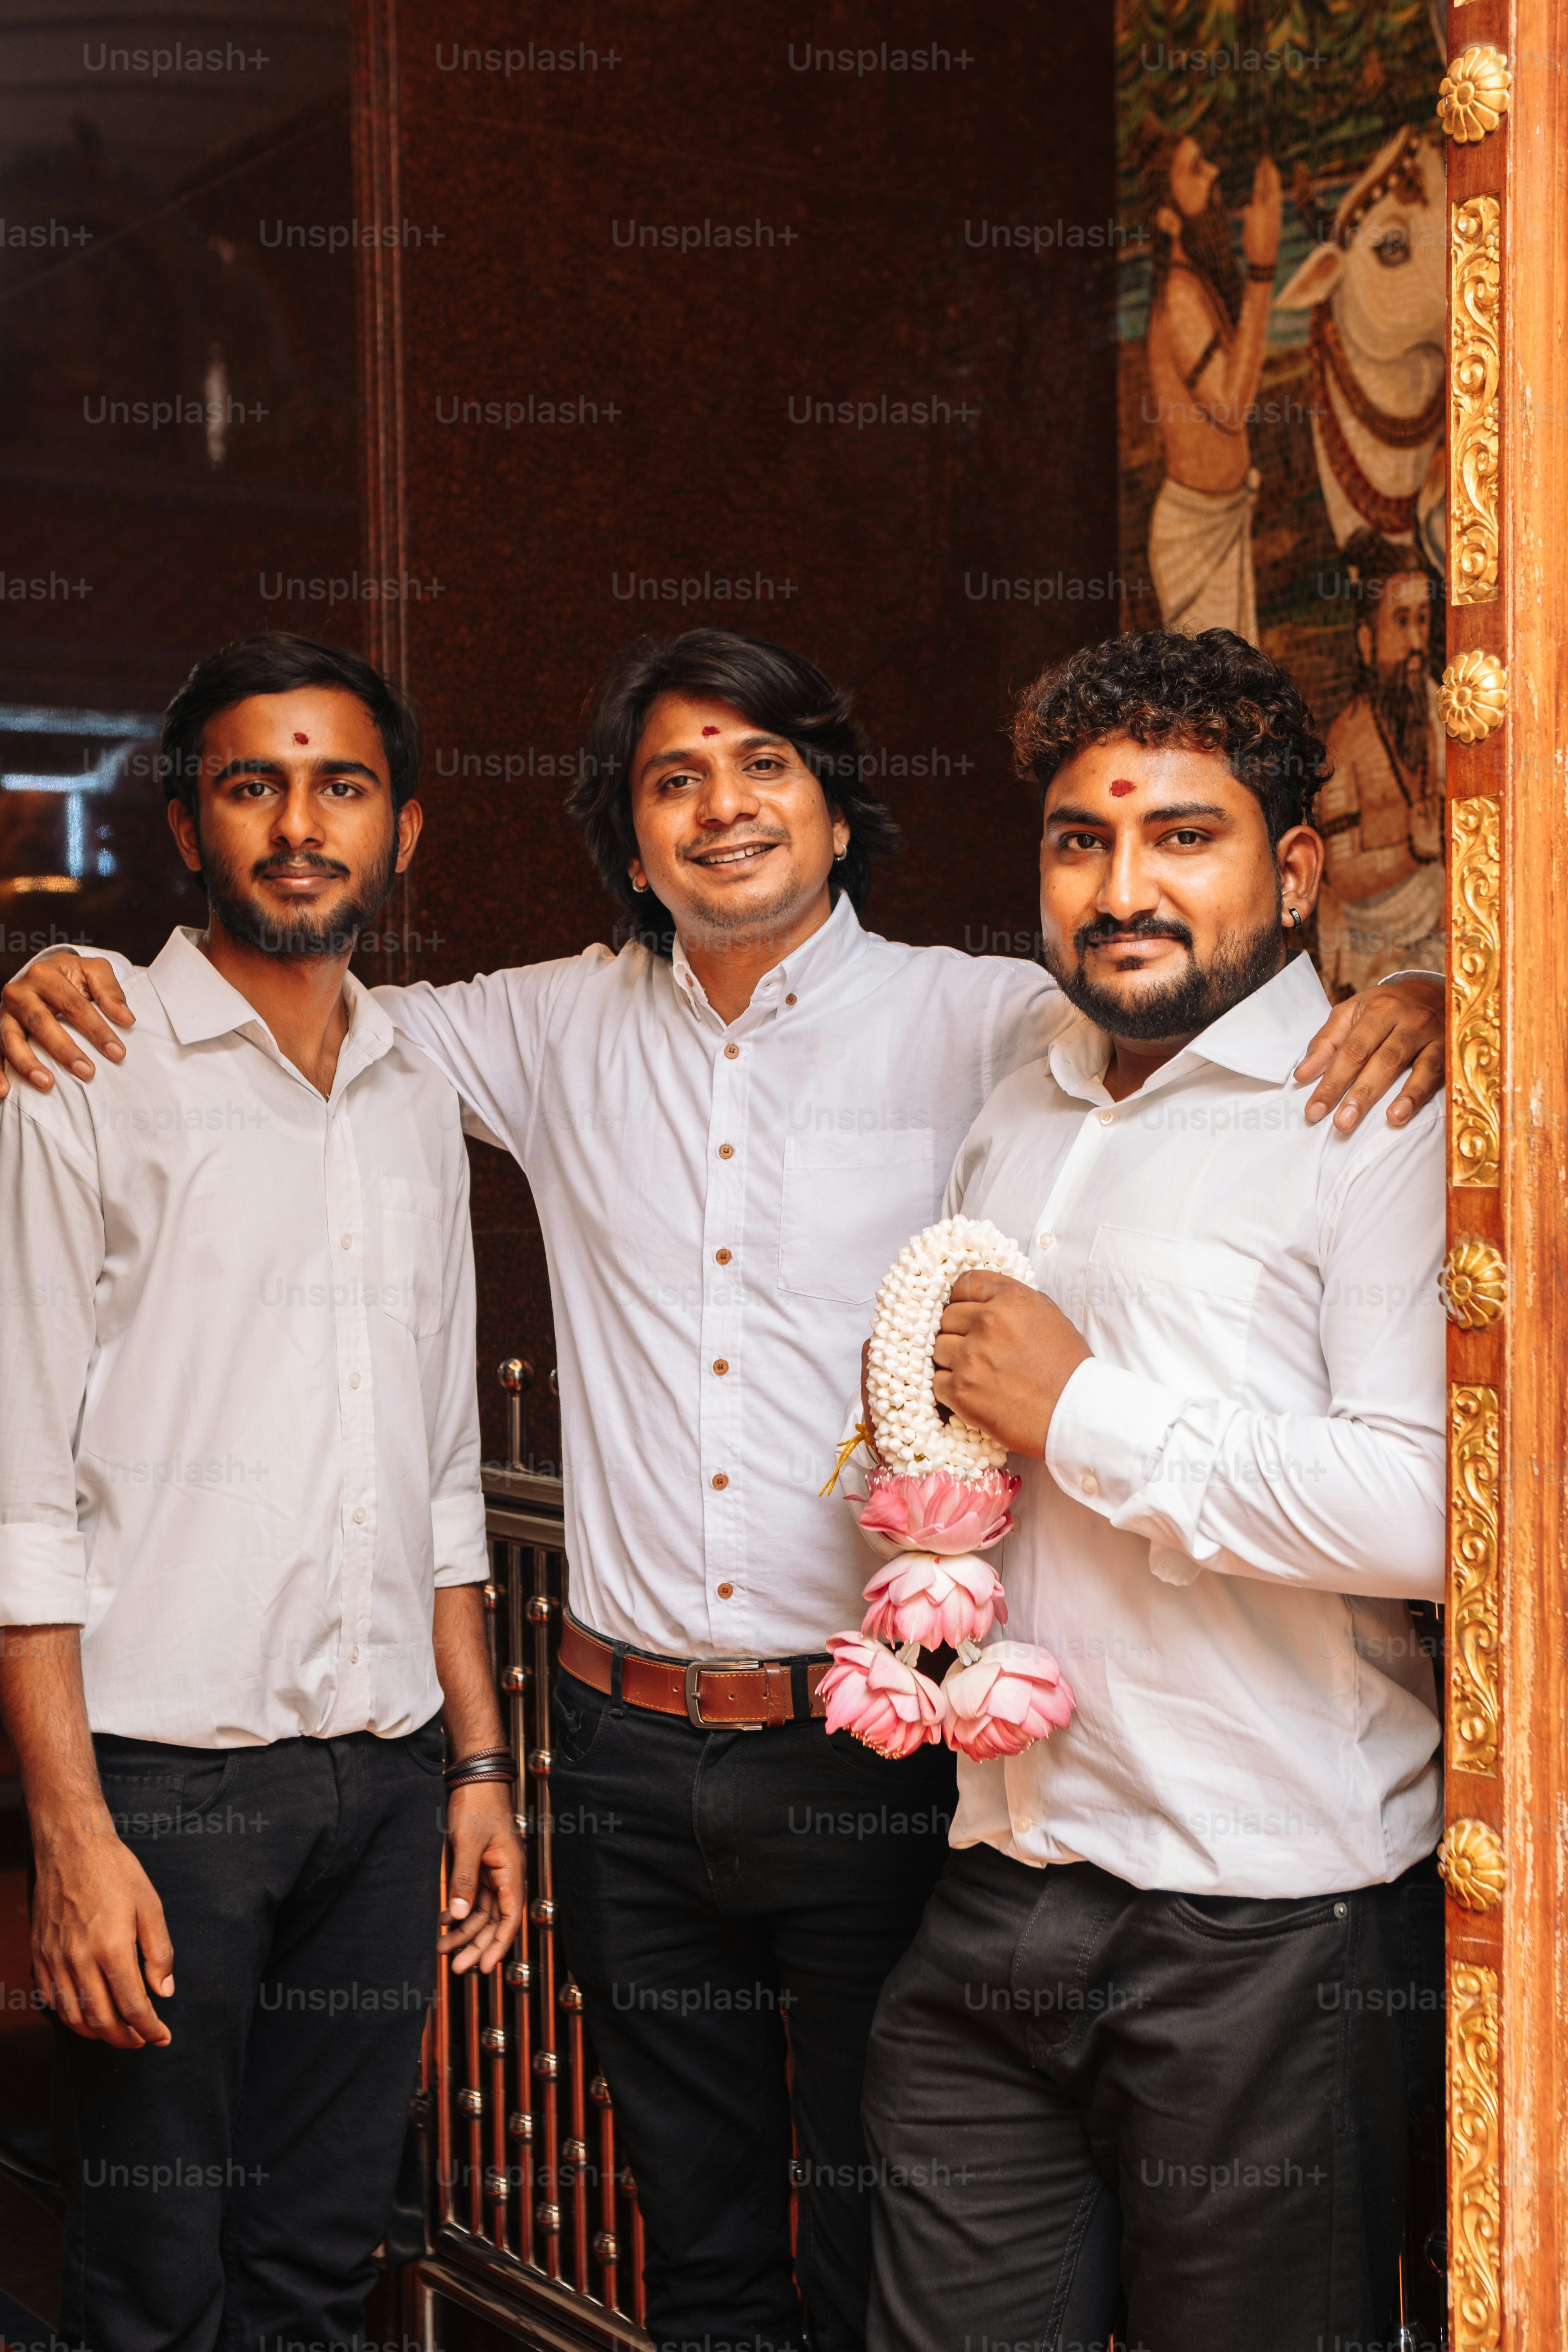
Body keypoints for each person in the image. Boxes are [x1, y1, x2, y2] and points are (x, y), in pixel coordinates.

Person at [0, 627, 1445, 2352]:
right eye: (672, 778)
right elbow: (280, 999)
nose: (722, 806)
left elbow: (1217, 1005)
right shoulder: (527, 1029)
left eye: (766, 764)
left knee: (877, 2248)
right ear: (625, 836)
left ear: (841, 815)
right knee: (697, 2248)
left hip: (887, 1764)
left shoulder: (1004, 1023)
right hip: (625, 1764)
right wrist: (44, 974)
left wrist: (1422, 995)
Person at [852, 629, 1444, 2352]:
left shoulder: (1382, 1111)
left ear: (1297, 869)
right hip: (1001, 1880)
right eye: (1080, 839)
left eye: (1184, 835)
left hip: (1263, 1922)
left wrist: (1078, 1407)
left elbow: (1428, 1508)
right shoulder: (1023, 1099)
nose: (1124, 885)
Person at [0, 634, 524, 2352]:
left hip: (380, 1782)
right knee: (150, 2280)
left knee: (321, 2264)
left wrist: (472, 1763)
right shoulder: (82, 1062)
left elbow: (444, 1465)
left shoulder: (416, 1090)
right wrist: (73, 1836)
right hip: (164, 1780)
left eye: (342, 784)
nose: (300, 823)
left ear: (406, 831)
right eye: (254, 783)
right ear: (187, 822)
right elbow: (15, 1483)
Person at [1137, 128, 1281, 642]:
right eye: (1197, 170)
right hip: (1195, 536)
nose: (1215, 175)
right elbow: (1231, 407)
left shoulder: (1195, 285)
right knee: (1216, 710)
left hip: (1222, 521)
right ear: (1167, 215)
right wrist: (1262, 267)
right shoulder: (1177, 296)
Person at [1316, 530, 1446, 994]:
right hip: (1374, 947)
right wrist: (1413, 849)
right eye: (1402, 621)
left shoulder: (1440, 708)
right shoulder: (1346, 742)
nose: (1416, 641)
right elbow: (1341, 871)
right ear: (1368, 638)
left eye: (1424, 620)